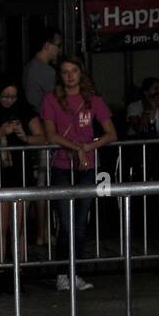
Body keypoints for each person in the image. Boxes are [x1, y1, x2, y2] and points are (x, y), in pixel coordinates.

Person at [40, 55, 117, 291]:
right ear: (60, 76)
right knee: (65, 222)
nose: (70, 76)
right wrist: (77, 149)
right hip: (62, 165)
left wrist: (87, 148)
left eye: (74, 71)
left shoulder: (93, 100)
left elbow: (111, 134)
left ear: (80, 73)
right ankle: (63, 273)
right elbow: (51, 135)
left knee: (81, 222)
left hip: (87, 167)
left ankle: (76, 272)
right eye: (65, 71)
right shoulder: (51, 99)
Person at [0, 79, 44, 266]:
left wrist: (24, 136)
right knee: (1, 226)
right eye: (5, 96)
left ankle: (19, 268)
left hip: (21, 172)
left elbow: (43, 138)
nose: (8, 100)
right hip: (0, 174)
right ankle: (2, 268)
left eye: (12, 97)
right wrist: (1, 132)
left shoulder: (26, 112)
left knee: (19, 225)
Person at [23, 30, 63, 247]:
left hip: (37, 131)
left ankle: (42, 232)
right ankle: (44, 232)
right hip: (46, 134)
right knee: (45, 185)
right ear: (48, 45)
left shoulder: (29, 67)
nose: (59, 50)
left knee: (41, 184)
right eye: (57, 45)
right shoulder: (46, 72)